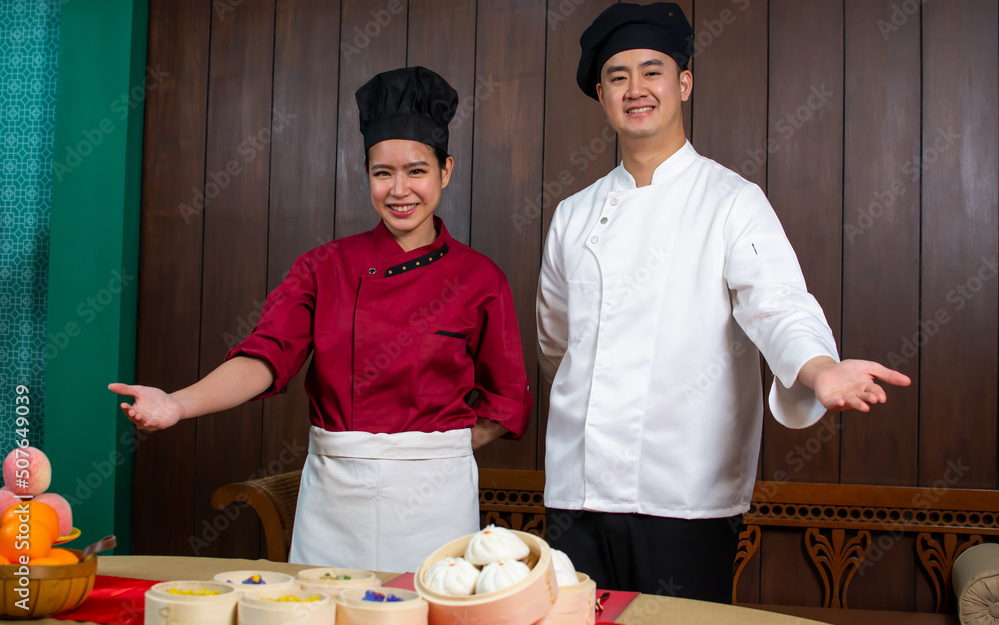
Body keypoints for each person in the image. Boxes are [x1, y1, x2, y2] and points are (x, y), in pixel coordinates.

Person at [536, 3, 910, 603]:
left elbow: (779, 304)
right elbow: (557, 343)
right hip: (575, 492)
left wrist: (820, 369)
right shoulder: (572, 214)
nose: (636, 89)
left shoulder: (732, 200)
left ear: (683, 83)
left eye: (652, 71)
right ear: (601, 95)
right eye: (618, 76)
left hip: (684, 493)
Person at [110, 66, 532, 572]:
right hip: (336, 500)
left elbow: (507, 398)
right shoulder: (322, 266)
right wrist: (177, 404)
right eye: (382, 173)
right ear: (368, 175)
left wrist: (438, 451)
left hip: (435, 501)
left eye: (417, 170)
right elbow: (265, 358)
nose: (400, 190)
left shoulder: (480, 277)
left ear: (445, 171)